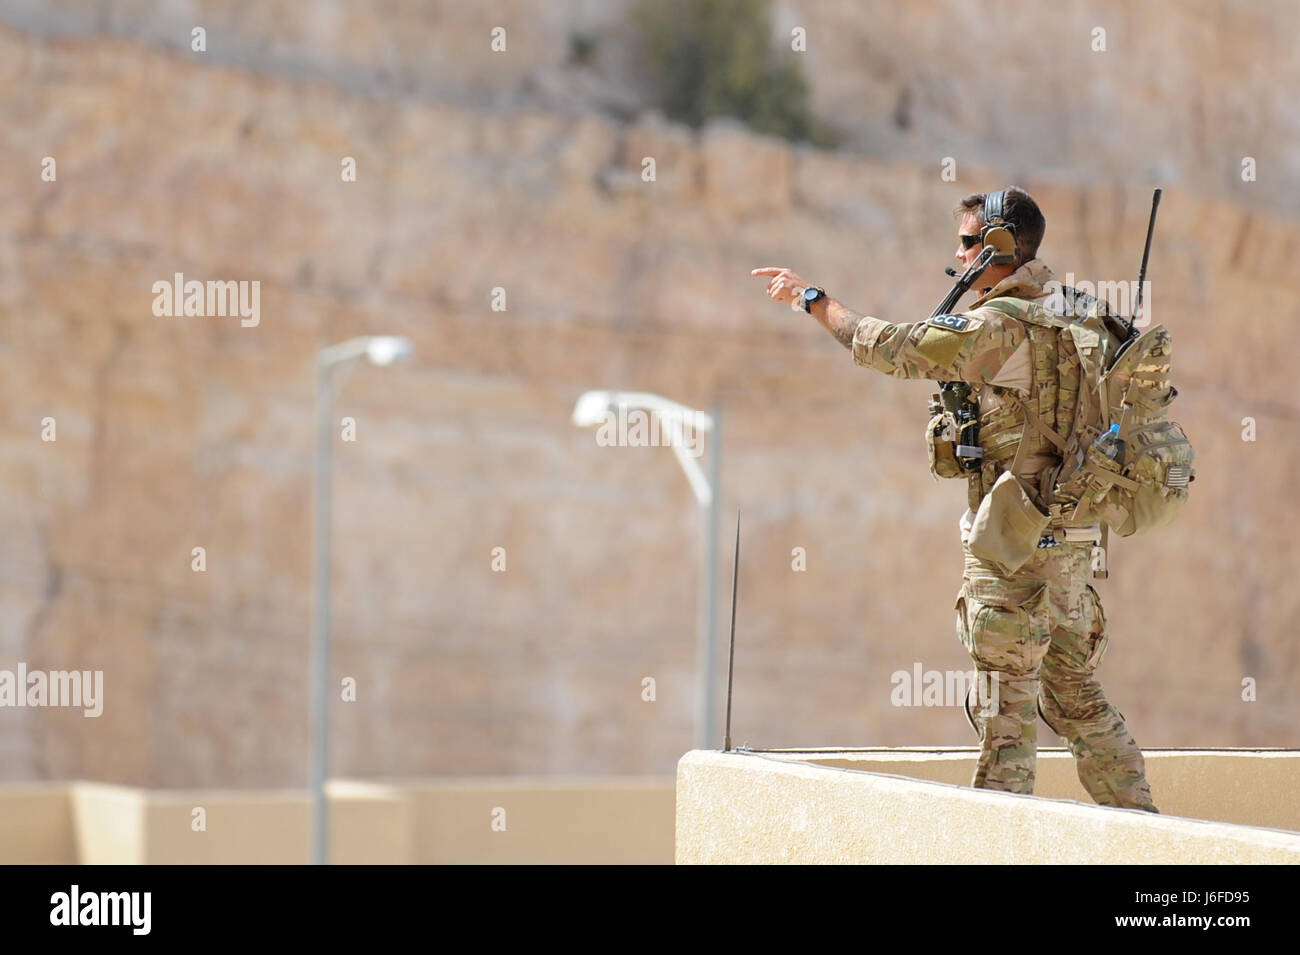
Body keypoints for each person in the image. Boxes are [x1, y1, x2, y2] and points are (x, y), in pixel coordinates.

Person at [751, 187, 1158, 812]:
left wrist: (812, 299)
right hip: (1077, 546)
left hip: (1013, 545)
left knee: (1005, 706)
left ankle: (1001, 845)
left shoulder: (1001, 326)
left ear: (997, 246)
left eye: (968, 242)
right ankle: (1145, 832)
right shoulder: (1088, 316)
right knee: (1076, 694)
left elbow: (890, 347)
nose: (957, 254)